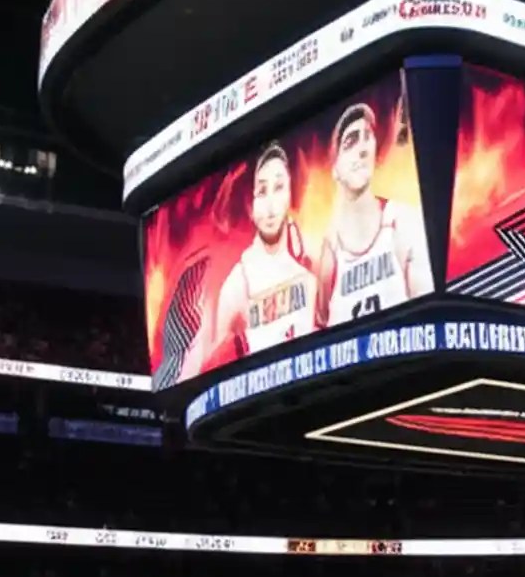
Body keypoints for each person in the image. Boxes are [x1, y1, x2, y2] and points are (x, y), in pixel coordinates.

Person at [178, 145, 317, 380]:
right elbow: (211, 366)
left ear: (290, 193)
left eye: (279, 187)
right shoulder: (239, 281)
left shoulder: (309, 270)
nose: (271, 205)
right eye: (262, 192)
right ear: (250, 206)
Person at [315, 103, 432, 327]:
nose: (362, 148)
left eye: (367, 136)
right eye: (350, 142)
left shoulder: (404, 222)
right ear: (335, 168)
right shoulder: (330, 250)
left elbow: (427, 317)